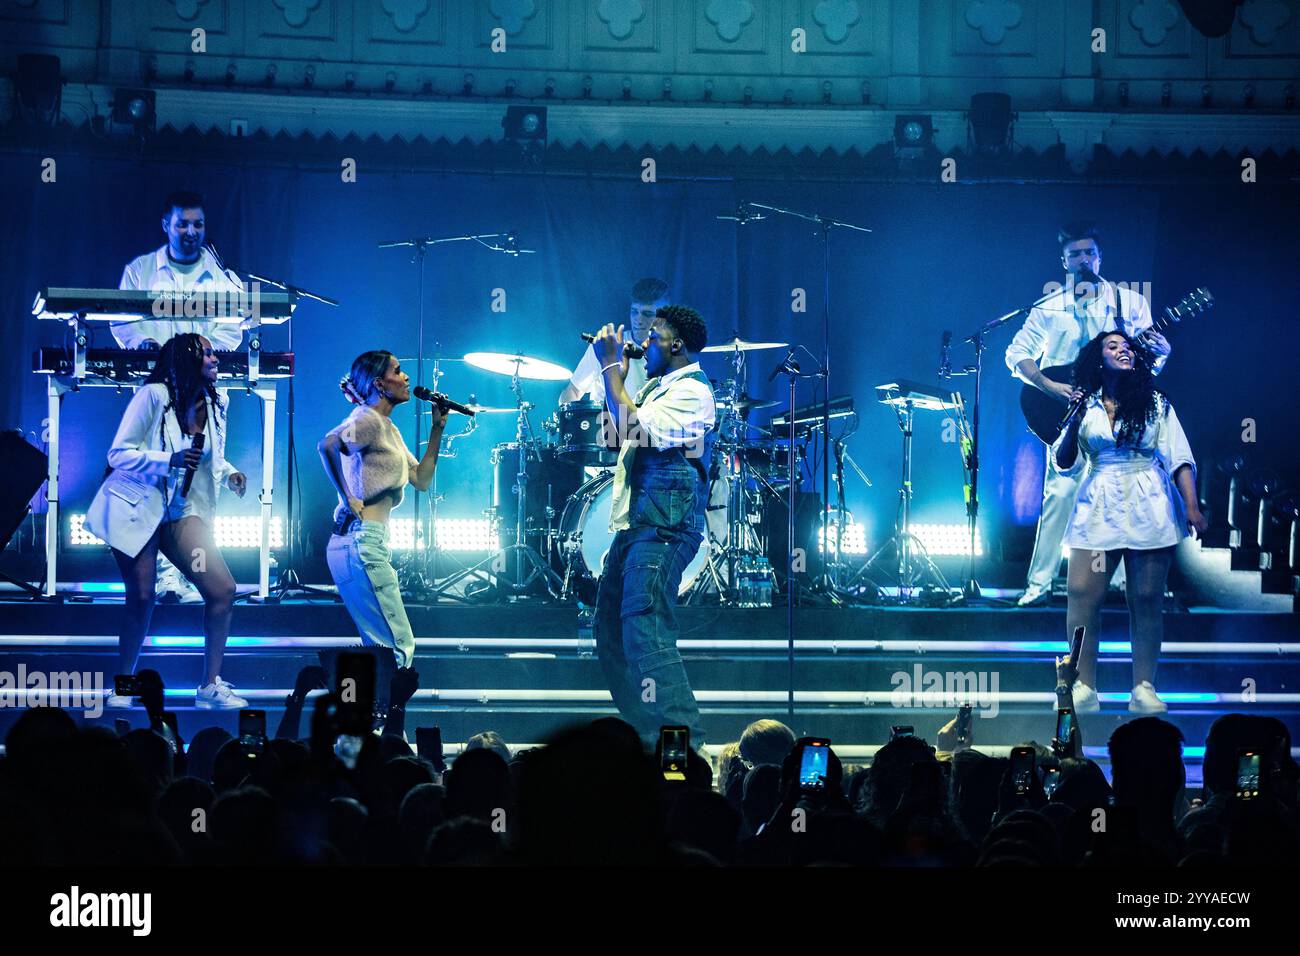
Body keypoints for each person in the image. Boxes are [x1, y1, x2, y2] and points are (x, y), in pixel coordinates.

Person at [1005, 222, 1172, 606]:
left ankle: (1120, 585)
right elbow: (1016, 354)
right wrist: (1049, 385)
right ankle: (1039, 585)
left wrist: (1161, 355)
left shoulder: (1129, 303)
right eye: (1075, 254)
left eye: (1089, 253)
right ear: (1064, 261)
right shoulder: (1049, 305)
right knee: (1061, 493)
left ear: (1099, 258)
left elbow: (1146, 365)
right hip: (1070, 415)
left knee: (1124, 493)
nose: (1083, 260)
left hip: (1118, 416)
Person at [85, 334, 249, 709]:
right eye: (208, 353)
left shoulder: (215, 401)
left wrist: (230, 474)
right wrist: (168, 460)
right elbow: (118, 453)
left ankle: (210, 685)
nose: (216, 358)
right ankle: (124, 687)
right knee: (142, 597)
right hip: (138, 508)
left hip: (180, 511)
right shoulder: (153, 395)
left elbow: (209, 457)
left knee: (222, 588)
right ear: (188, 359)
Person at [1052, 330, 1208, 714]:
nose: (1124, 350)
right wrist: (1073, 420)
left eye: (1127, 347)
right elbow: (1064, 462)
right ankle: (1083, 685)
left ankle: (1143, 687)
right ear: (1098, 358)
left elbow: (1180, 457)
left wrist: (1191, 505)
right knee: (1082, 593)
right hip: (1098, 502)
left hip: (1147, 501)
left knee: (1146, 598)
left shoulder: (1155, 402)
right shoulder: (1085, 404)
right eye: (1113, 346)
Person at [589, 305, 716, 750]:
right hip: (638, 524)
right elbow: (613, 437)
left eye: (653, 336)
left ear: (675, 344)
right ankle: (646, 739)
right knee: (609, 632)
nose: (643, 344)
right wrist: (616, 378)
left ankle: (687, 749)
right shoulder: (654, 389)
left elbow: (635, 430)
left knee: (647, 631)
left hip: (665, 529)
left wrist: (611, 368)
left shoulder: (693, 392)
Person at [116, 190, 246, 603]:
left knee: (202, 483)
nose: (191, 231)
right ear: (166, 226)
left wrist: (200, 355)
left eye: (198, 224)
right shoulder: (140, 270)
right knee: (159, 482)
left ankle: (193, 574)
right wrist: (151, 349)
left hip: (203, 390)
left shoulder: (222, 276)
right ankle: (162, 578)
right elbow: (123, 322)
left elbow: (234, 327)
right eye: (182, 224)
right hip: (160, 388)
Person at [318, 351, 447, 679]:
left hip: (360, 543)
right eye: (398, 371)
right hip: (362, 542)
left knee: (381, 647)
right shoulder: (368, 420)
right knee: (398, 648)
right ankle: (383, 713)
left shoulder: (387, 427)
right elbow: (328, 445)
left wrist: (437, 429)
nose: (406, 378)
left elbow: (421, 480)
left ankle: (368, 711)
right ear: (379, 384)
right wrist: (348, 496)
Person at [558, 276, 668, 405]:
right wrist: (566, 414)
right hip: (606, 418)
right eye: (634, 312)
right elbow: (573, 391)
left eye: (647, 314)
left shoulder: (674, 354)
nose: (638, 320)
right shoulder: (605, 344)